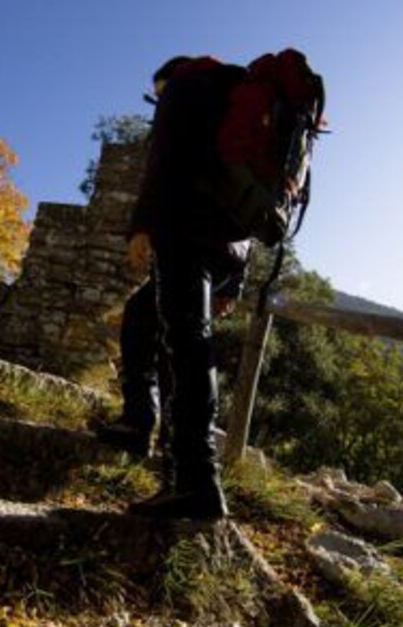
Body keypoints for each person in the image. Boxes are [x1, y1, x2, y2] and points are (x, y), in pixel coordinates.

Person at [99, 56, 251, 521]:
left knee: (185, 347)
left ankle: (195, 481)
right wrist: (237, 281)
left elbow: (164, 159)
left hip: (186, 232)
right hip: (230, 248)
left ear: (167, 78)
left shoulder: (185, 89)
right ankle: (139, 422)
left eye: (156, 92)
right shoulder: (236, 99)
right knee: (144, 318)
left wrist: (142, 225)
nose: (156, 100)